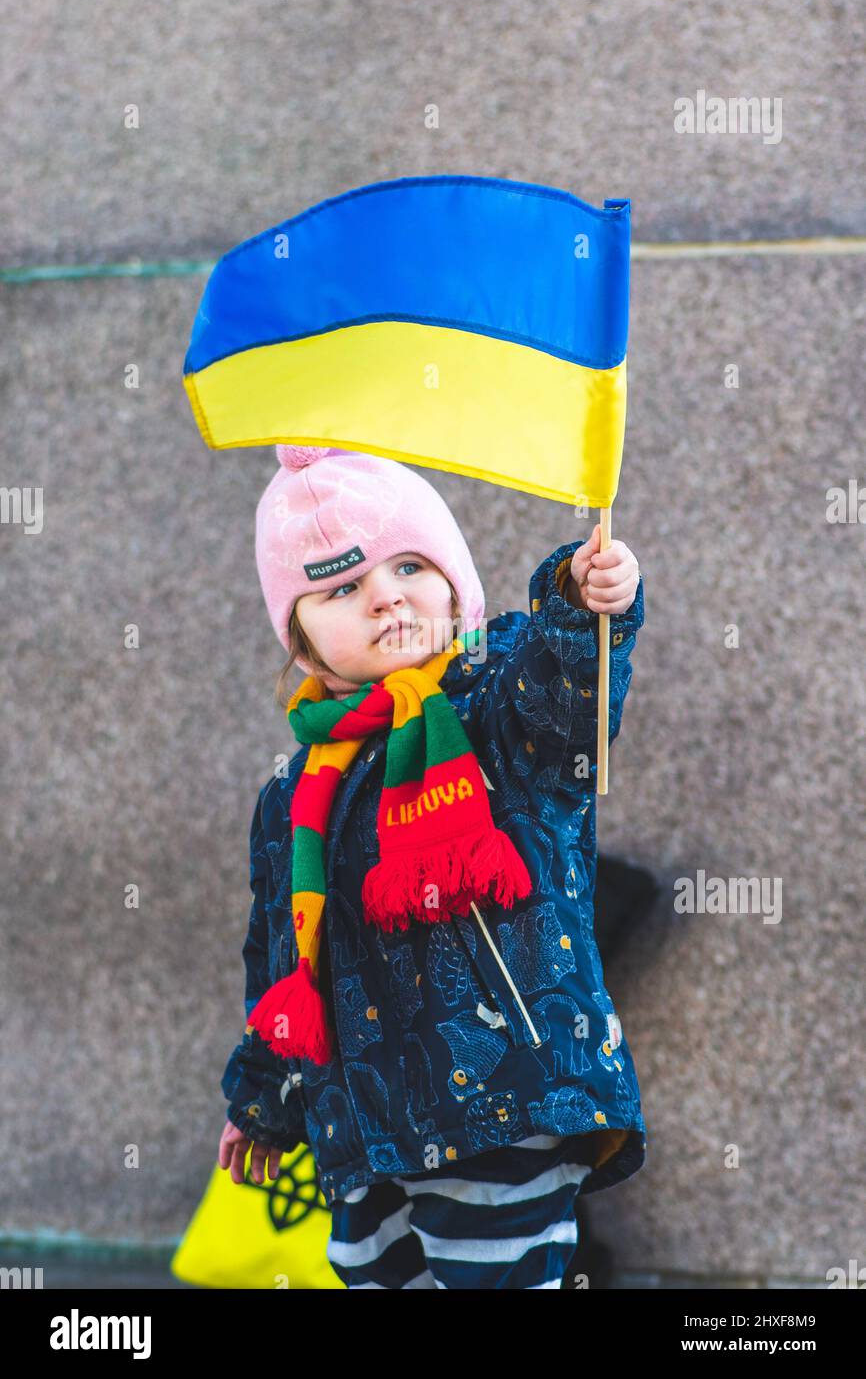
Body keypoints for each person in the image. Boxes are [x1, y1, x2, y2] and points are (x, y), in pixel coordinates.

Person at [217, 442, 647, 1289]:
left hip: (506, 1098)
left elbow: (570, 691)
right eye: (341, 587)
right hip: (363, 1126)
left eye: (408, 564)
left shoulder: (498, 709)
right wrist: (262, 1101)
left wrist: (581, 602)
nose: (385, 595)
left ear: (455, 584)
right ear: (303, 647)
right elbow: (280, 958)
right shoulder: (297, 793)